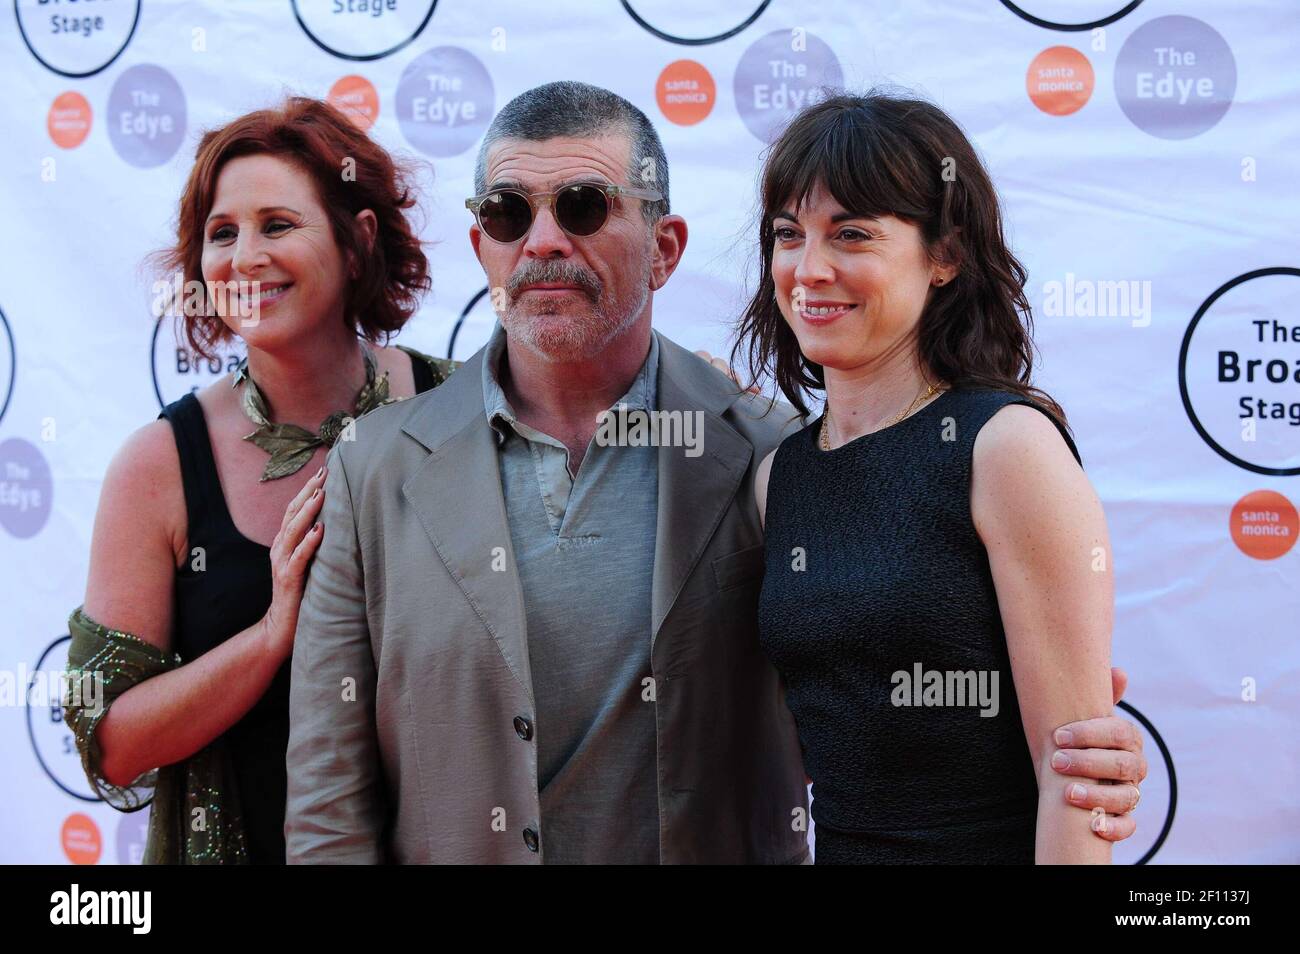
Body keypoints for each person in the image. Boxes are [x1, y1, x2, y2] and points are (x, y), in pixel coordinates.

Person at [285, 81, 1146, 864]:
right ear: (482, 246)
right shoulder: (375, 467)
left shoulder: (759, 451)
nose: (543, 239)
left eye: (584, 206)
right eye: (510, 212)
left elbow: (1010, 730)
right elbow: (328, 802)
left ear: (664, 250)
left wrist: (1060, 728)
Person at [742, 92, 1137, 863]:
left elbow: (1078, 784)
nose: (809, 268)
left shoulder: (1005, 447)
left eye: (851, 234)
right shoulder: (777, 478)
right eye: (790, 235)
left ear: (945, 254)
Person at [63, 98, 456, 864]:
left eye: (277, 224)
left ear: (356, 242)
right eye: (222, 233)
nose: (244, 258)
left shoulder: (465, 411)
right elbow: (110, 740)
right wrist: (273, 636)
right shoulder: (159, 464)